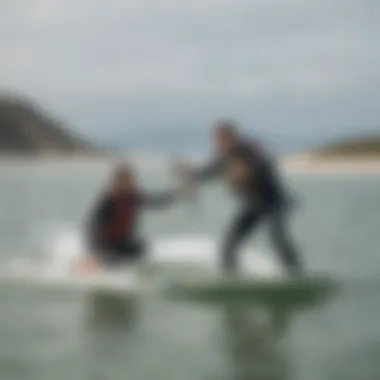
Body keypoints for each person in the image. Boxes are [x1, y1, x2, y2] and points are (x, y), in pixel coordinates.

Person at [184, 119, 302, 276]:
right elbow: (205, 174)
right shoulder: (223, 160)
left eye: (223, 138)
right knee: (229, 243)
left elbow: (264, 166)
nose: (219, 143)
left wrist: (248, 170)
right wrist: (190, 174)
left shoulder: (250, 151)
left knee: (277, 235)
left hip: (275, 203)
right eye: (217, 140)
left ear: (232, 137)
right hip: (253, 206)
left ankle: (296, 274)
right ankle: (230, 276)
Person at [79, 163, 181, 273]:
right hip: (106, 245)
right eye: (126, 180)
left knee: (140, 247)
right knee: (111, 260)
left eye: (131, 180)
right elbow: (93, 226)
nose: (131, 183)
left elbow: (157, 201)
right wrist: (96, 252)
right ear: (117, 182)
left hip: (123, 242)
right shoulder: (108, 202)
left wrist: (176, 194)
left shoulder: (133, 197)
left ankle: (133, 273)